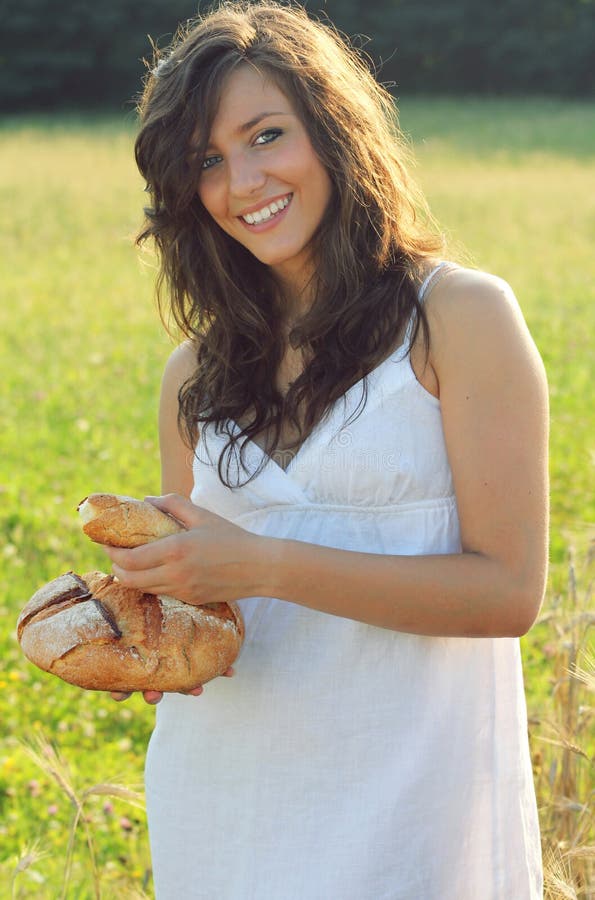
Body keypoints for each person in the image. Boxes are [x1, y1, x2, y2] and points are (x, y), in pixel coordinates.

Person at [105, 2, 549, 897]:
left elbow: (507, 591)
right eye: (206, 161)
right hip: (226, 804)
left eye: (266, 135)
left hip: (410, 814)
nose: (243, 182)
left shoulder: (458, 317)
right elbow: (205, 622)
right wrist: (152, 636)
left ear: (332, 128)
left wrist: (262, 563)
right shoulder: (192, 374)